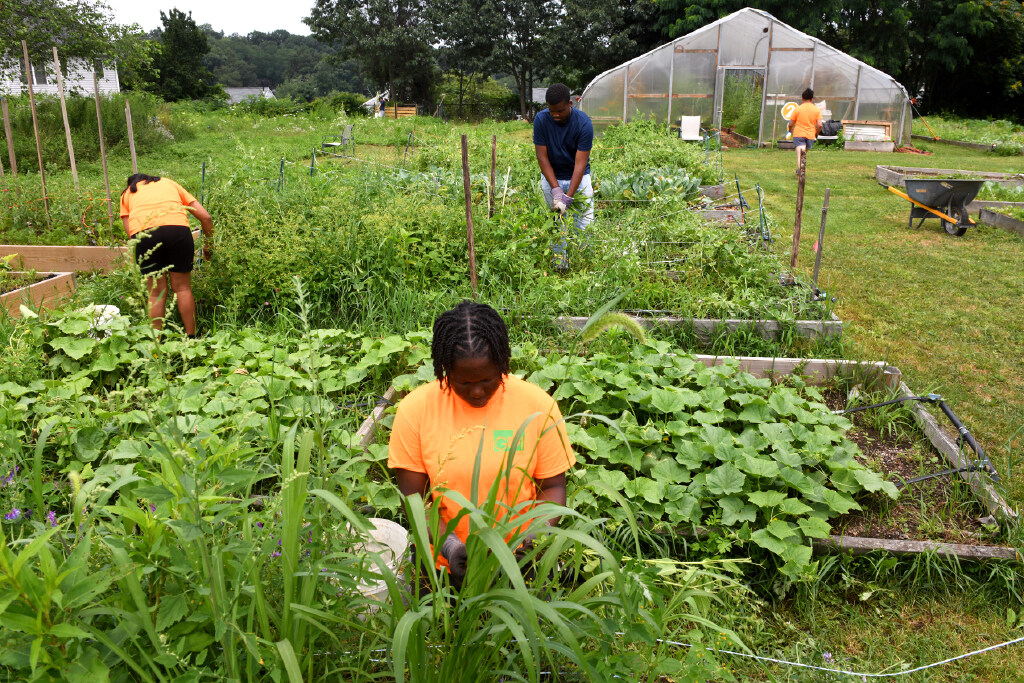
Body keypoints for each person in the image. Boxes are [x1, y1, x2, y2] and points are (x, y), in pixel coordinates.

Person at [387, 301, 576, 588]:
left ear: (503, 364)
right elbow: (415, 499)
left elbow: (552, 488)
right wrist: (450, 547)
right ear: (444, 370)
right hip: (443, 564)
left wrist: (530, 541)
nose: (477, 391)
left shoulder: (537, 406)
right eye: (463, 382)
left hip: (520, 563)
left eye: (488, 380)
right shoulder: (416, 410)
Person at [119, 173, 213, 337]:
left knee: (156, 292)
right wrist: (208, 246)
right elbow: (206, 217)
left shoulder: (127, 193)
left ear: (132, 183)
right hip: (177, 231)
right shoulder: (169, 183)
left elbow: (132, 235)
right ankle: (192, 338)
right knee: (183, 288)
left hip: (145, 235)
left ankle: (157, 342)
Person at [533, 84, 594, 265]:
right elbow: (542, 157)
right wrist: (556, 190)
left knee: (584, 223)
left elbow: (580, 164)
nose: (555, 115)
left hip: (580, 179)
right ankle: (560, 265)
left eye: (560, 111)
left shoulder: (583, 123)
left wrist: (568, 197)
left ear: (570, 104)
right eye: (551, 111)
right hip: (552, 177)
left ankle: (584, 264)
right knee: (557, 223)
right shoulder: (541, 120)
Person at [787, 88, 822, 177]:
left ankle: (801, 174)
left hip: (799, 134)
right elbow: (820, 125)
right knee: (803, 155)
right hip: (810, 135)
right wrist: (816, 133)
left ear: (802, 98)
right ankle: (799, 171)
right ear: (812, 99)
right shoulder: (816, 110)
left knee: (800, 155)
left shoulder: (798, 109)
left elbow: (791, 123)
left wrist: (790, 129)